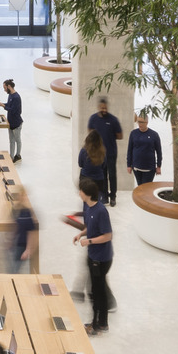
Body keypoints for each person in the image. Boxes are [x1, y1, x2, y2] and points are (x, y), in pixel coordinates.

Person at [73, 178, 114, 334]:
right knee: (94, 290)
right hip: (93, 256)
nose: (79, 192)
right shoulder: (88, 207)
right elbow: (90, 227)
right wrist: (81, 234)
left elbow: (108, 235)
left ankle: (99, 324)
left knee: (98, 293)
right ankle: (98, 322)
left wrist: (89, 241)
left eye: (81, 190)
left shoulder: (101, 211)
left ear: (87, 194)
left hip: (101, 258)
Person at [87, 99, 123, 205]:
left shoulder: (113, 120)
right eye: (102, 108)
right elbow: (90, 133)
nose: (104, 110)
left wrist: (110, 136)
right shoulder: (93, 119)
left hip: (111, 153)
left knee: (112, 175)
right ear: (98, 107)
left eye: (106, 108)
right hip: (99, 154)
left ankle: (113, 196)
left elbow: (120, 135)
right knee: (102, 175)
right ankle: (104, 196)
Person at [9, 185, 38, 274]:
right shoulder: (15, 209)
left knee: (15, 270)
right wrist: (10, 241)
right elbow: (15, 226)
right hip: (16, 243)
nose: (22, 197)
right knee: (12, 269)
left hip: (22, 245)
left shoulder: (27, 212)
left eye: (23, 195)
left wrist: (28, 249)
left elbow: (31, 232)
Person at [126, 115, 162, 186]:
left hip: (149, 168)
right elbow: (129, 149)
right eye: (138, 122)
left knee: (146, 188)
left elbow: (159, 151)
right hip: (136, 167)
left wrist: (158, 166)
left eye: (142, 122)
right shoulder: (133, 133)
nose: (140, 124)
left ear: (147, 122)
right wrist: (129, 165)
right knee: (140, 186)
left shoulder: (154, 135)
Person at [2, 79, 24, 163]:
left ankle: (18, 155)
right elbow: (8, 105)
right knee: (11, 141)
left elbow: (13, 110)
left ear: (9, 86)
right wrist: (2, 104)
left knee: (17, 140)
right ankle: (11, 156)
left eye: (5, 87)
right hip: (10, 122)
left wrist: (3, 106)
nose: (4, 90)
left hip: (17, 123)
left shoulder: (16, 97)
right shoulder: (10, 95)